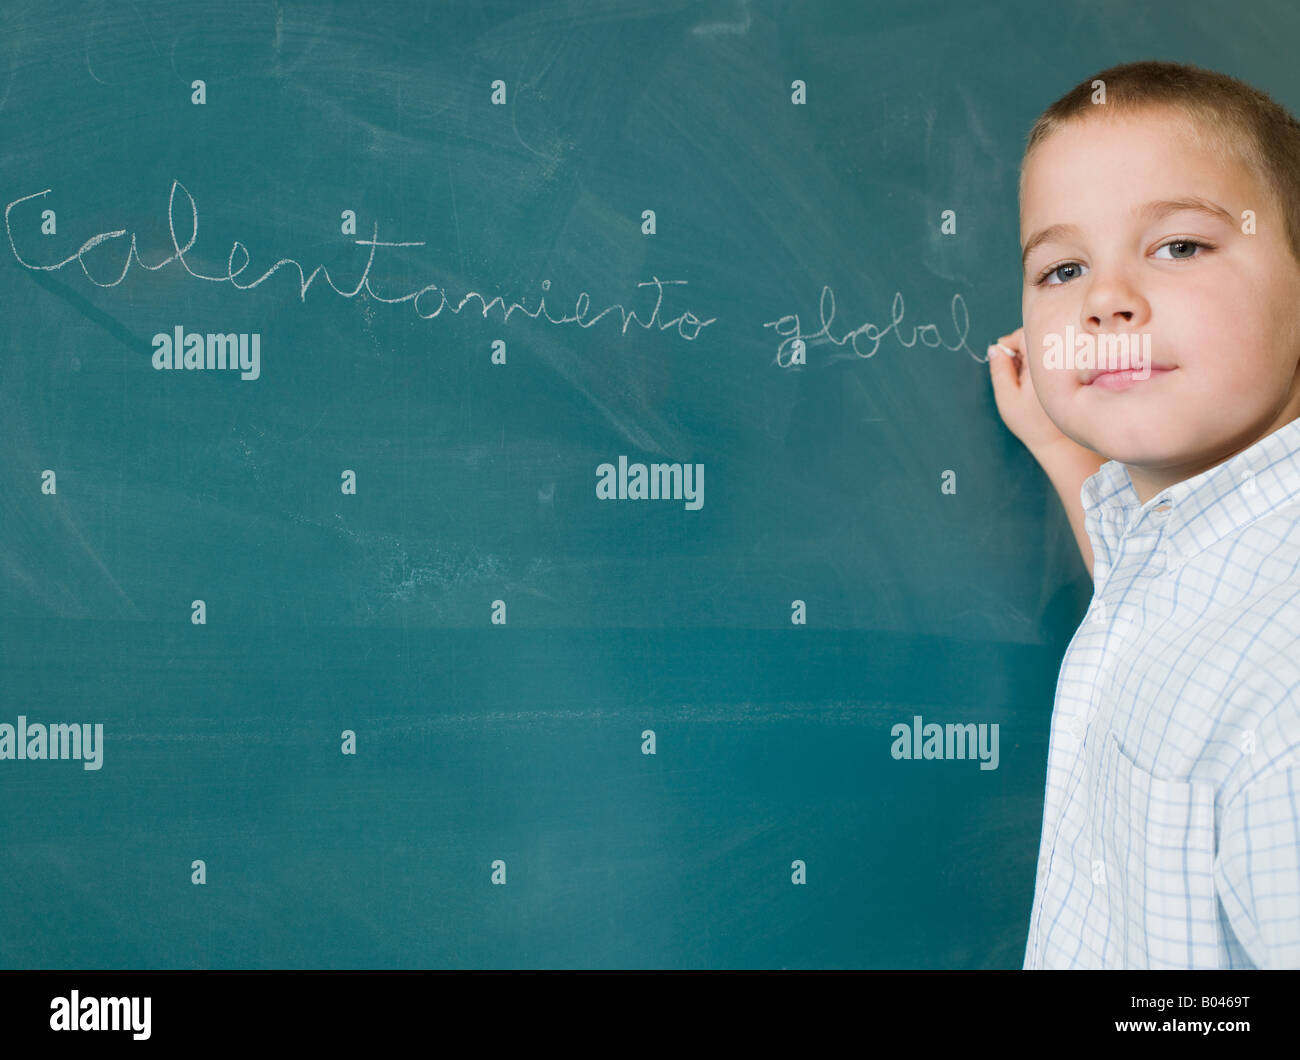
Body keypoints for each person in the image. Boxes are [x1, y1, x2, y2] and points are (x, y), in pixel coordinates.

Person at [988, 60, 1300, 968]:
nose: (1104, 300)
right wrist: (1063, 449)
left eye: (1180, 247)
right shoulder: (1202, 556)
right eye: (1063, 267)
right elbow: (1176, 620)